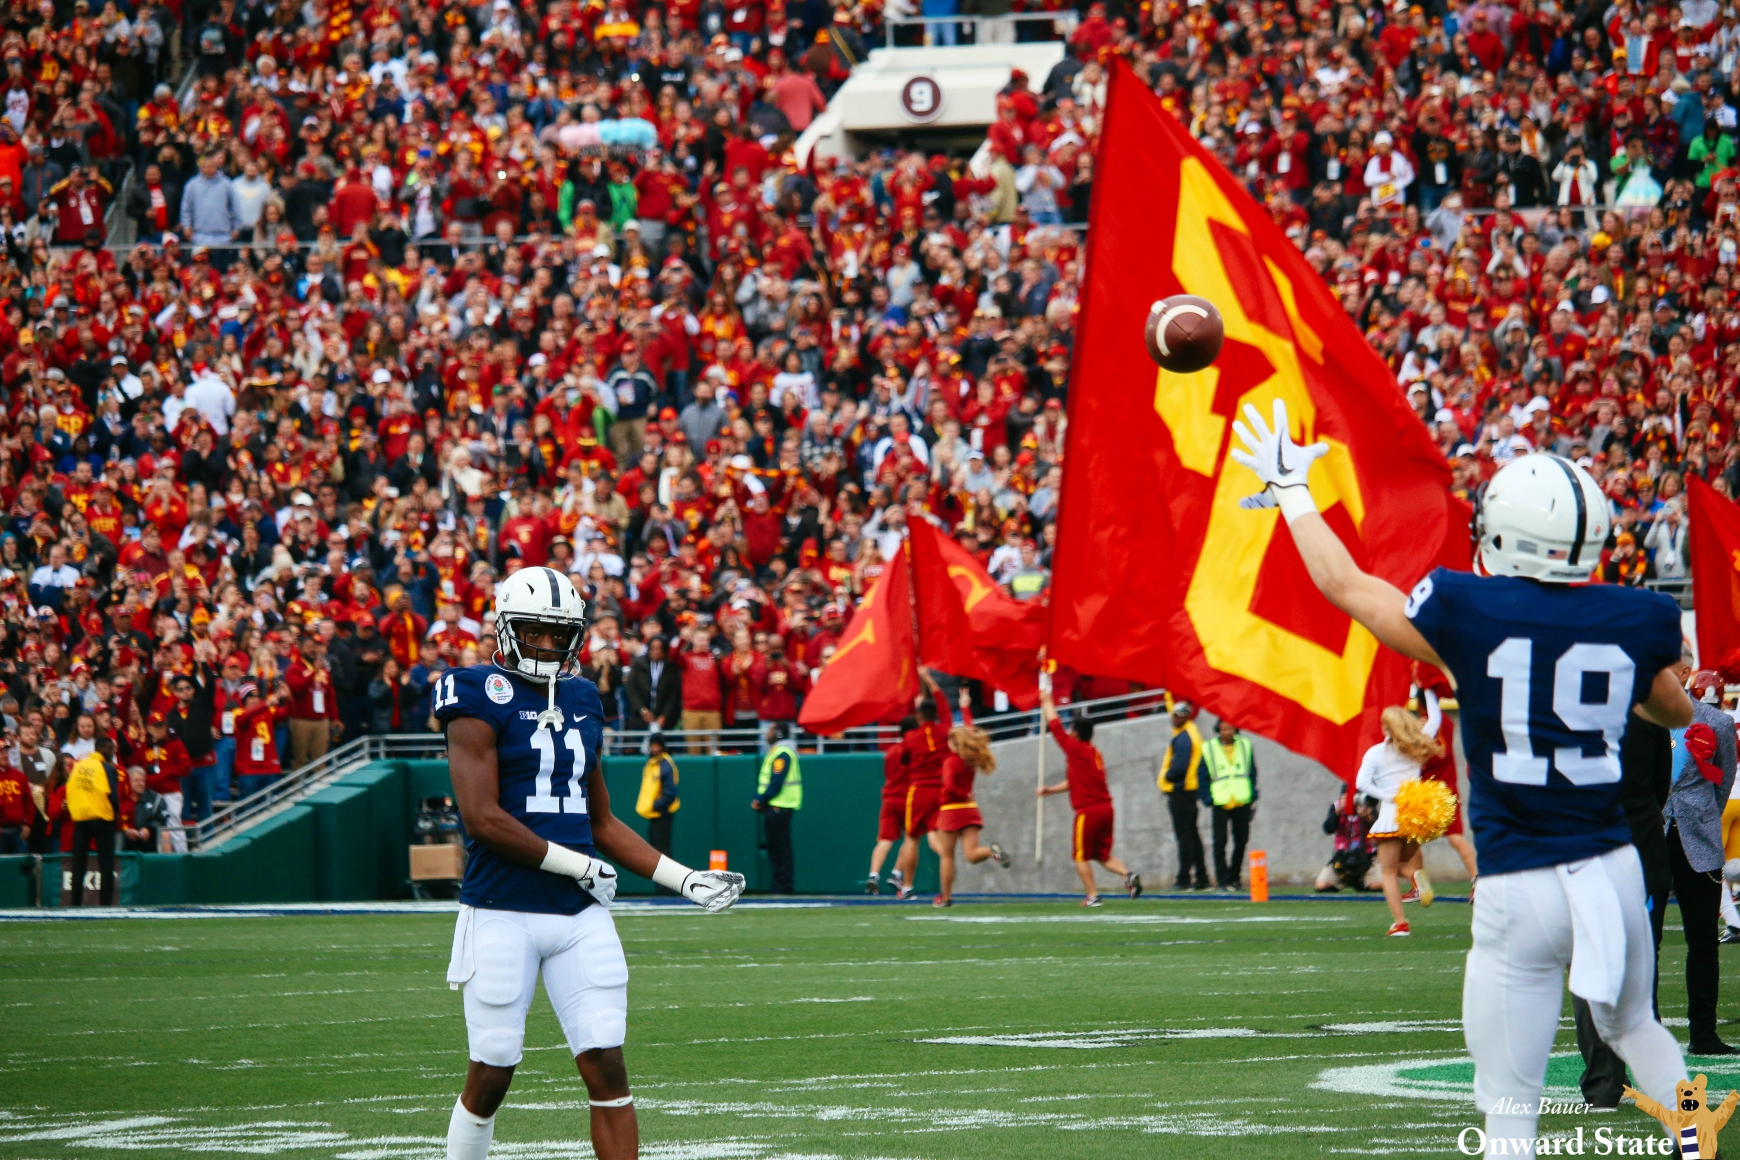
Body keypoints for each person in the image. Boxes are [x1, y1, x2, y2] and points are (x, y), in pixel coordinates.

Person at [1231, 399, 1693, 1147]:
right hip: (1611, 871)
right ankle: (1693, 1138)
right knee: (1637, 1024)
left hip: (1519, 881)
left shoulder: (1468, 609)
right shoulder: (1638, 618)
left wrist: (1293, 491)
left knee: (1509, 1103)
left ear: (1507, 533)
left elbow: (1348, 586)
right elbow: (1673, 711)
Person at [437, 566, 744, 1160]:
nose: (548, 645)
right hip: (501, 905)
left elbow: (600, 822)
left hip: (579, 916)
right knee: (493, 1068)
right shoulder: (475, 691)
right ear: (505, 627)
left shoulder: (581, 697)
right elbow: (482, 817)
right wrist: (571, 865)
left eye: (560, 633)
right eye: (535, 631)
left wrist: (684, 880)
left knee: (607, 1063)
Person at [1660, 669, 1737, 1054]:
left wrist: (1704, 815)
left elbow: (1722, 778)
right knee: (1645, 940)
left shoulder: (1717, 722)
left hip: (1699, 839)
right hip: (1649, 838)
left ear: (1684, 672)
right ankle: (1647, 1034)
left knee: (1704, 939)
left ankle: (1703, 1035)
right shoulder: (1640, 717)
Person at [1037, 685, 1140, 906]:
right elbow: (1075, 782)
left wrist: (1046, 701)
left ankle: (1093, 895)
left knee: (1080, 855)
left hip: (1088, 811)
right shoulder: (1093, 752)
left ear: (1075, 733)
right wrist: (1050, 790)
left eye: (1070, 729)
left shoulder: (1076, 750)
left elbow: (1054, 727)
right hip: (1106, 809)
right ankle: (1127, 875)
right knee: (1102, 854)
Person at [1355, 705, 1443, 936]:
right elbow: (1435, 717)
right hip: (1416, 818)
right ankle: (1415, 877)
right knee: (1400, 864)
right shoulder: (1418, 746)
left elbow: (1361, 784)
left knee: (1388, 872)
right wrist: (1429, 687)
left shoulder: (1375, 753)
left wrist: (1389, 797)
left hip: (1391, 817)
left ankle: (1400, 923)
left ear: (1386, 727)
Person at [933, 687, 1011, 907]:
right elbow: (970, 733)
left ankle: (946, 898)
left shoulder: (951, 761)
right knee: (972, 853)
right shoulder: (970, 760)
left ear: (955, 743)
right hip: (970, 809)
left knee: (947, 856)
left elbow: (948, 787)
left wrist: (957, 794)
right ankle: (992, 852)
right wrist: (965, 707)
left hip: (950, 811)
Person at [1412, 662, 1479, 887]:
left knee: (1411, 838)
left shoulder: (1431, 725)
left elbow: (1436, 754)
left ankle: (1419, 885)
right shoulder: (1443, 722)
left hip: (1434, 788)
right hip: (1444, 786)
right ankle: (1476, 879)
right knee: (1445, 838)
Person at [891, 674, 953, 900]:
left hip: (919, 791)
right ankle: (949, 860)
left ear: (917, 716)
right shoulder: (945, 731)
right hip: (941, 791)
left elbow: (903, 760)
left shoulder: (911, 737)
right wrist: (928, 678)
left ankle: (907, 886)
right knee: (937, 837)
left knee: (912, 838)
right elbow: (944, 704)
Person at [1202, 719, 1259, 893]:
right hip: (1221, 800)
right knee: (1220, 842)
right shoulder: (1209, 747)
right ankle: (1222, 879)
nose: (1228, 731)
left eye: (1231, 728)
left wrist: (1253, 794)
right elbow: (1202, 774)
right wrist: (1207, 798)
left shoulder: (1245, 744)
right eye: (1224, 728)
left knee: (1241, 840)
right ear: (1218, 729)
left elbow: (1252, 771)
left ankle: (1235, 877)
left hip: (1242, 798)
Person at [1159, 700, 1210, 891]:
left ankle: (1184, 877)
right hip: (1188, 791)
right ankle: (1201, 876)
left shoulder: (1184, 737)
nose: (1175, 718)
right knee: (1193, 835)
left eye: (1179, 715)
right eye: (1174, 715)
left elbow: (1179, 767)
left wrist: (1168, 776)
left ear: (1186, 716)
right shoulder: (1189, 733)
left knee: (1185, 836)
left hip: (1181, 791)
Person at [866, 713, 919, 895]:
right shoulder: (914, 751)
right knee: (911, 839)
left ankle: (873, 875)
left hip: (889, 798)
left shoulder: (891, 752)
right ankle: (896, 872)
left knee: (884, 840)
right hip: (907, 799)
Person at [65, 736, 121, 907]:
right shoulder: (107, 768)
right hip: (101, 819)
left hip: (81, 820)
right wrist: (116, 814)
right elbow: (113, 795)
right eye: (111, 749)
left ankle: (75, 904)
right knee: (106, 865)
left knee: (78, 865)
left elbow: (70, 789)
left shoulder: (79, 766)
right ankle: (105, 905)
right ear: (104, 749)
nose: (112, 753)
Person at [752, 721, 802, 894]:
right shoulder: (779, 752)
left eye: (771, 730)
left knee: (779, 848)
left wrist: (761, 799)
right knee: (778, 848)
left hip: (779, 806)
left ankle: (782, 885)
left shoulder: (782, 754)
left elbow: (776, 782)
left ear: (778, 733)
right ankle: (782, 883)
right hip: (778, 806)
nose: (767, 733)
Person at [286, 635, 338, 769]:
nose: (312, 650)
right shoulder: (294, 669)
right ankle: (298, 789)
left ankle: (319, 788)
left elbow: (330, 695)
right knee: (300, 759)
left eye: (314, 646)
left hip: (322, 720)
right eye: (308, 647)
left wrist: (335, 717)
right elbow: (297, 689)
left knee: (320, 760)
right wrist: (313, 672)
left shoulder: (324, 671)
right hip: (301, 720)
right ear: (301, 649)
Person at [233, 683, 291, 798]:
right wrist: (266, 704)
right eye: (250, 697)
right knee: (248, 810)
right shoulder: (237, 713)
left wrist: (289, 698)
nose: (254, 700)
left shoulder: (268, 711)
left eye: (256, 697)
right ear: (243, 700)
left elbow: (286, 713)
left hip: (270, 768)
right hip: (249, 770)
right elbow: (243, 718)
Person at [635, 733, 679, 861]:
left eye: (657, 745)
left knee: (663, 852)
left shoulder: (665, 765)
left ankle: (668, 880)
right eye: (652, 745)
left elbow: (670, 794)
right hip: (653, 815)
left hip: (662, 815)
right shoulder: (652, 763)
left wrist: (653, 806)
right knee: (656, 851)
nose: (654, 748)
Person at [122, 768, 169, 852]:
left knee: (165, 834)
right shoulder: (121, 797)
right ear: (128, 782)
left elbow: (162, 820)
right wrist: (125, 830)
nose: (140, 784)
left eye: (142, 780)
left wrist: (149, 829)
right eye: (136, 781)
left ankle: (166, 864)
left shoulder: (155, 798)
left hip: (150, 839)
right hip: (125, 837)